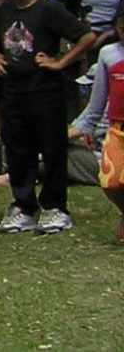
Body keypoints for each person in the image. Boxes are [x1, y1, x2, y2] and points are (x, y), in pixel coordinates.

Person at [0, 0, 97, 235]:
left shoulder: (47, 10)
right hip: (13, 90)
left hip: (44, 90)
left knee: (52, 147)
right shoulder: (4, 11)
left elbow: (86, 37)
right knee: (19, 149)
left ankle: (55, 206)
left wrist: (59, 62)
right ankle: (23, 205)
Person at [67, 13, 123, 243]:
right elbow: (97, 101)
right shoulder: (108, 55)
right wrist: (87, 128)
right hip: (117, 128)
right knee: (109, 182)